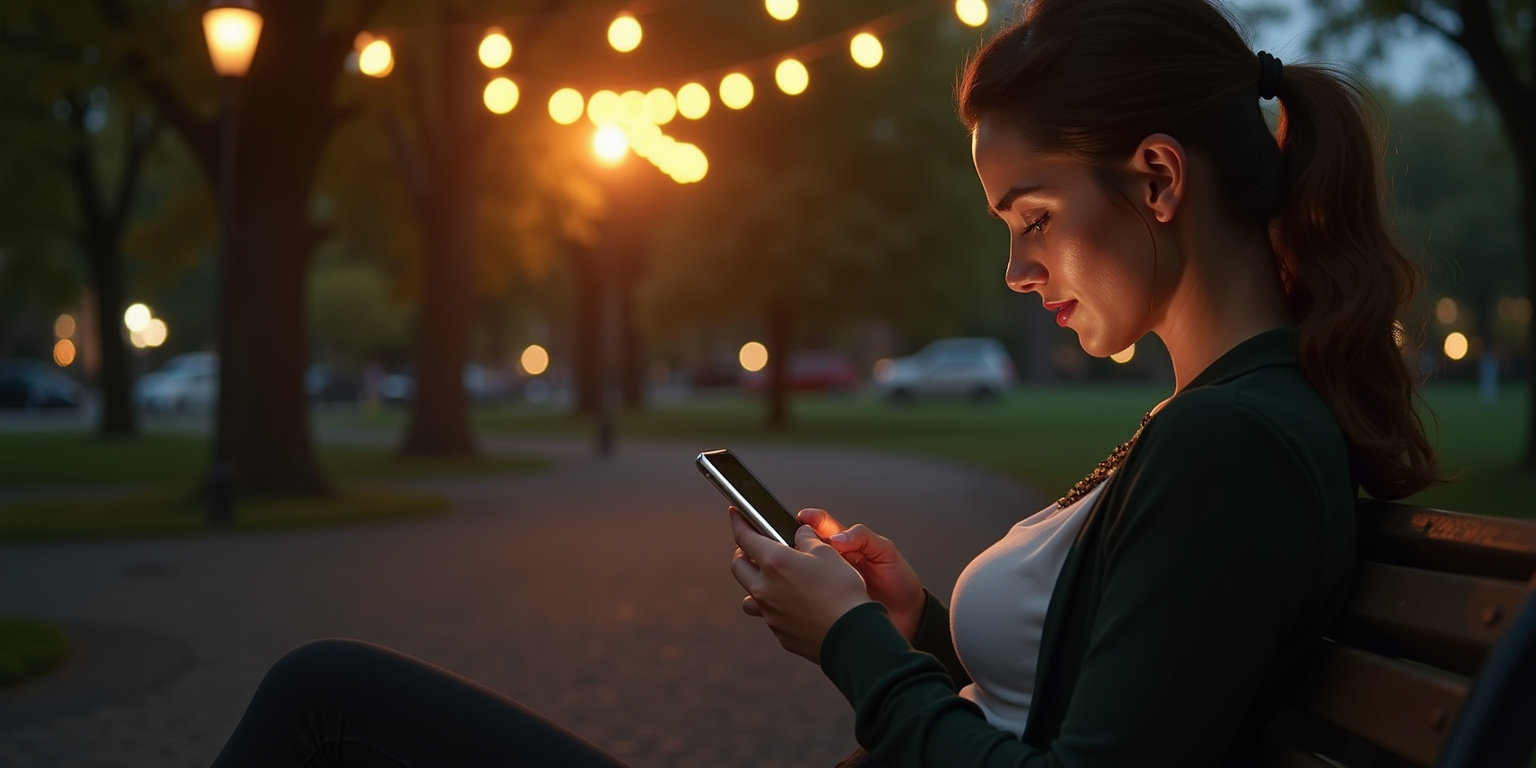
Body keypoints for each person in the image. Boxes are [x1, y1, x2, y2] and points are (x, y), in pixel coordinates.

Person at [209, 0, 1439, 765]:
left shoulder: (1233, 444)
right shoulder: (1218, 421)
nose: (1014, 267)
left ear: (1160, 181)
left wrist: (856, 648)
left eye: (1031, 216)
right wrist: (923, 625)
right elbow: (1113, 690)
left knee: (327, 705)